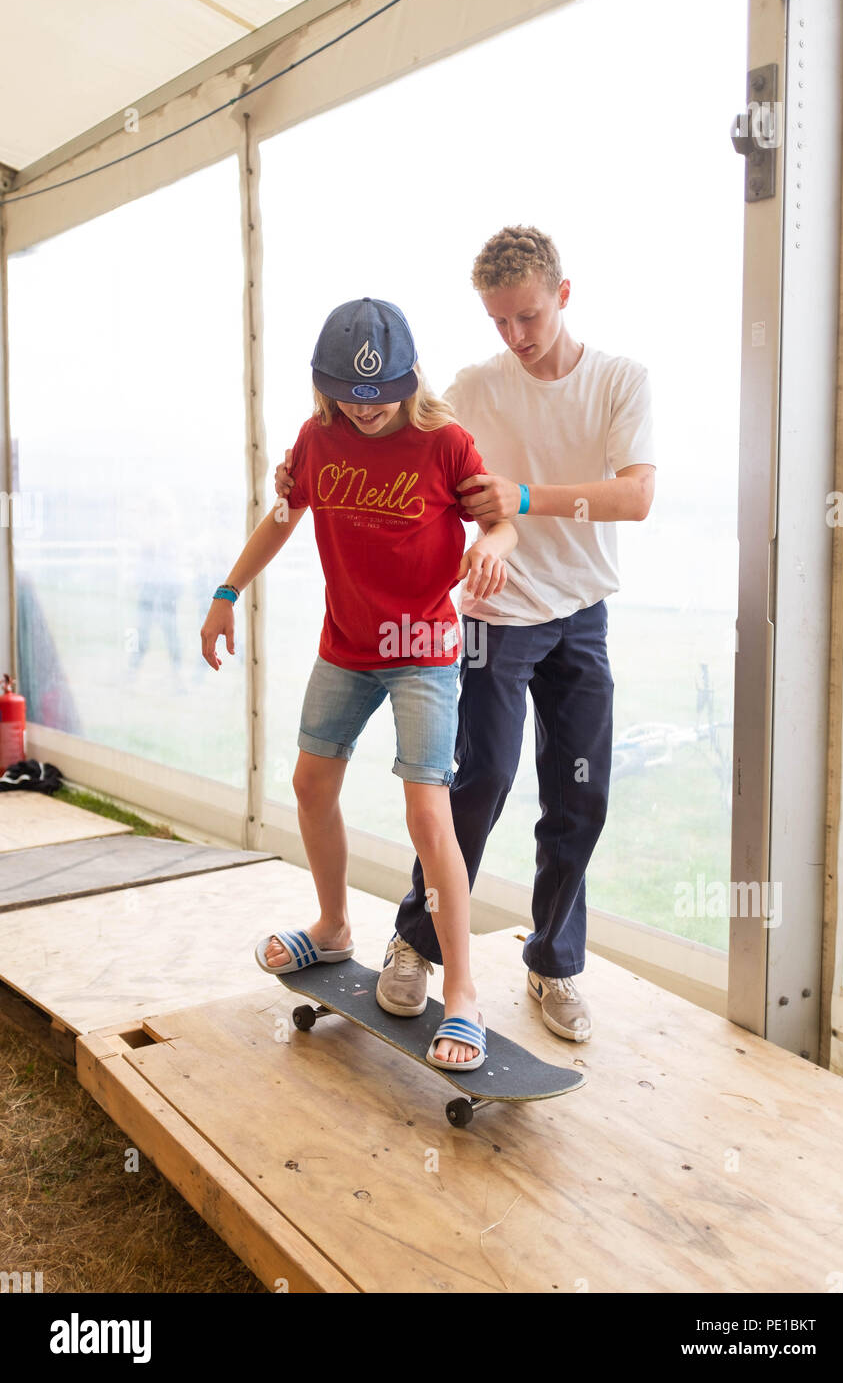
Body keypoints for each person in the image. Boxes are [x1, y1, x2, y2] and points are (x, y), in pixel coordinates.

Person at [276, 228, 655, 1053]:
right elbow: (403, 436)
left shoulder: (620, 381)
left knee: (578, 796)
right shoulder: (475, 387)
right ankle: (414, 945)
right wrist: (304, 469)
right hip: (492, 619)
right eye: (498, 321)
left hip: (580, 612)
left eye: (527, 316)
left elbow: (635, 500)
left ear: (564, 293)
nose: (515, 336)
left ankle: (553, 962)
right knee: (470, 788)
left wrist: (517, 502)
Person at [201, 296, 517, 1068]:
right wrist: (226, 592)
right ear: (325, 385)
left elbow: (498, 520)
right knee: (311, 784)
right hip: (346, 643)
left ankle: (466, 992)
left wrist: (498, 545)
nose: (365, 411)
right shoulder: (317, 438)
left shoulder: (445, 442)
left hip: (422, 646)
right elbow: (283, 514)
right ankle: (333, 927)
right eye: (350, 395)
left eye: (379, 398)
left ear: (409, 381)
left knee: (426, 813)